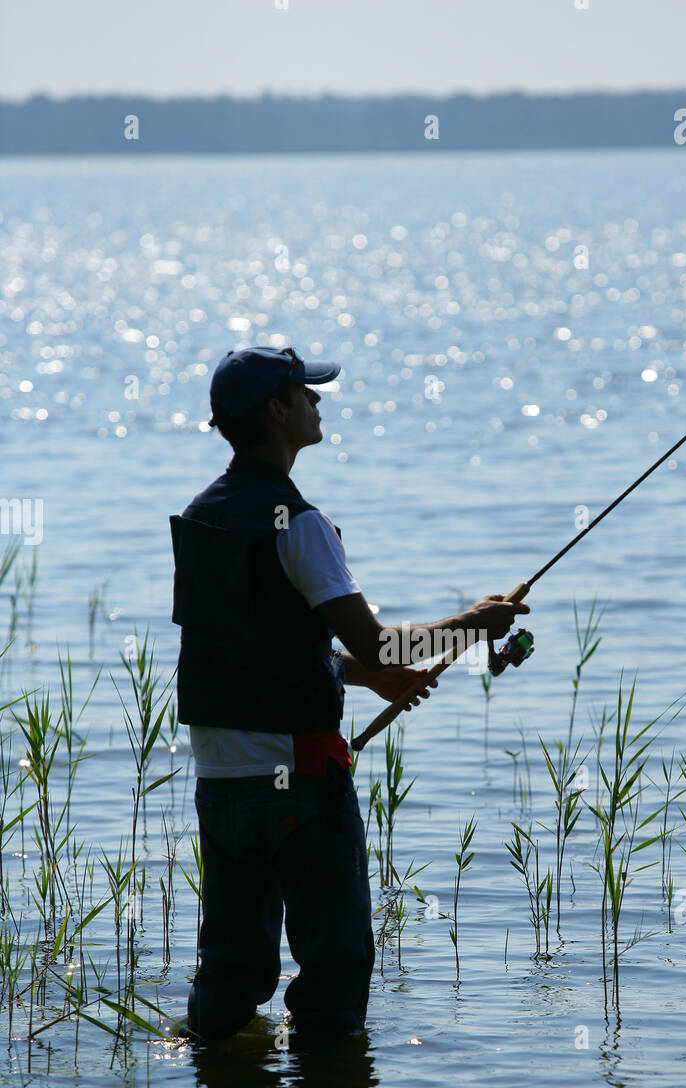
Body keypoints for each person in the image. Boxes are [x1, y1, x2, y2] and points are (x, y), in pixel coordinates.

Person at [169, 345, 529, 1044]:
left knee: (230, 972)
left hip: (222, 781)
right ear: (277, 411)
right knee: (335, 976)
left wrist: (354, 676)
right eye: (306, 393)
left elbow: (251, 644)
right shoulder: (300, 523)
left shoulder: (202, 515)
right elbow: (381, 644)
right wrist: (475, 622)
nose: (319, 402)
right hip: (298, 785)